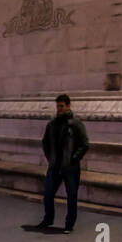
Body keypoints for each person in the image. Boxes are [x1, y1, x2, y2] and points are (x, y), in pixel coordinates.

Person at [27, 94, 87, 234]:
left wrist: (74, 158)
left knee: (71, 197)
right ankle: (48, 219)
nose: (59, 109)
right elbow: (45, 142)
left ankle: (69, 224)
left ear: (68, 106)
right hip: (55, 166)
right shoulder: (52, 124)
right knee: (48, 194)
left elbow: (84, 144)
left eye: (61, 106)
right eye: (58, 106)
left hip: (70, 167)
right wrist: (50, 158)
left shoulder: (76, 124)